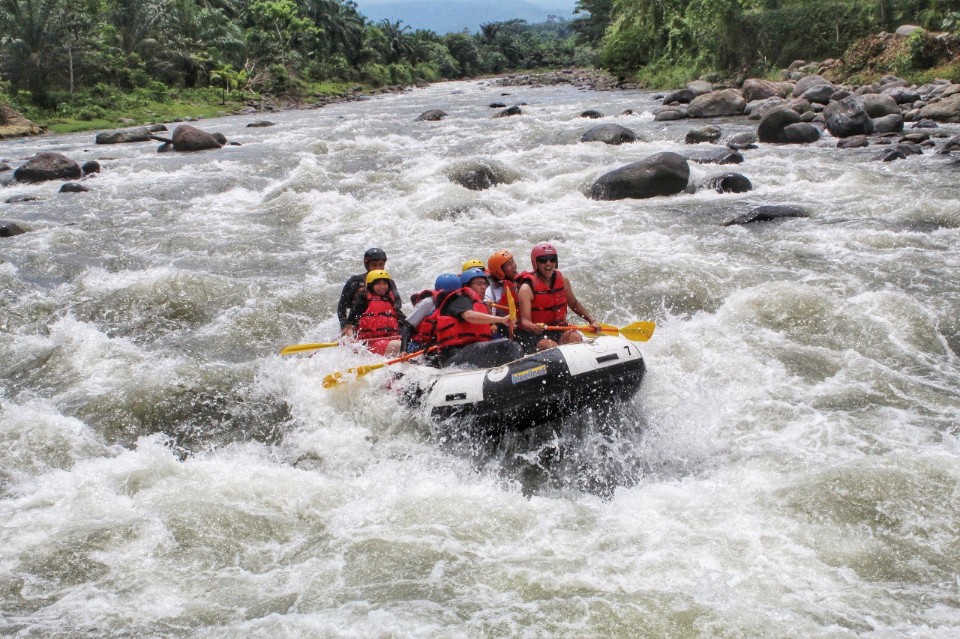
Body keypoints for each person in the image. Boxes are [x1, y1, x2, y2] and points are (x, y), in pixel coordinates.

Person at [516, 242, 602, 353]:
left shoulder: (563, 281)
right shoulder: (526, 289)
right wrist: (533, 326)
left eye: (552, 259)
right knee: (552, 347)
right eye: (543, 260)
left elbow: (574, 304)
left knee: (575, 338)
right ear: (535, 263)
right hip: (535, 335)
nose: (548, 263)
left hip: (559, 329)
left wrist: (591, 321)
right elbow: (524, 321)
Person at [430, 267, 522, 368]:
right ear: (467, 286)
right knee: (507, 345)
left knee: (507, 344)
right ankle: (521, 371)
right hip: (455, 355)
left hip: (467, 352)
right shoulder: (459, 300)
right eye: (479, 284)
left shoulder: (477, 304)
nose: (483, 287)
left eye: (484, 284)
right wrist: (501, 319)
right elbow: (470, 316)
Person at [342, 270, 408, 356]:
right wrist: (352, 340)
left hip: (390, 340)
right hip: (369, 344)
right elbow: (350, 325)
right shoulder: (363, 299)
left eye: (385, 283)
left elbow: (405, 322)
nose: (382, 286)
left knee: (408, 344)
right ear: (371, 285)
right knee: (400, 345)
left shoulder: (390, 301)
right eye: (378, 284)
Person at [337, 248, 401, 331]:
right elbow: (342, 306)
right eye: (374, 265)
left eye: (381, 265)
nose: (378, 268)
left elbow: (397, 303)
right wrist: (344, 326)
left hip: (383, 323)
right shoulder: (355, 281)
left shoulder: (389, 282)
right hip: (359, 324)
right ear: (367, 265)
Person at [400, 272, 461, 353]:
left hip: (442, 344)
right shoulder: (428, 303)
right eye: (453, 294)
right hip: (419, 344)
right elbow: (407, 326)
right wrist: (403, 350)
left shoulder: (460, 305)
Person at [484, 250, 519, 338]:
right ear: (499, 271)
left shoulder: (522, 282)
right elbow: (491, 319)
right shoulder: (490, 292)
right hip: (504, 328)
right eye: (509, 264)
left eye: (513, 262)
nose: (514, 266)